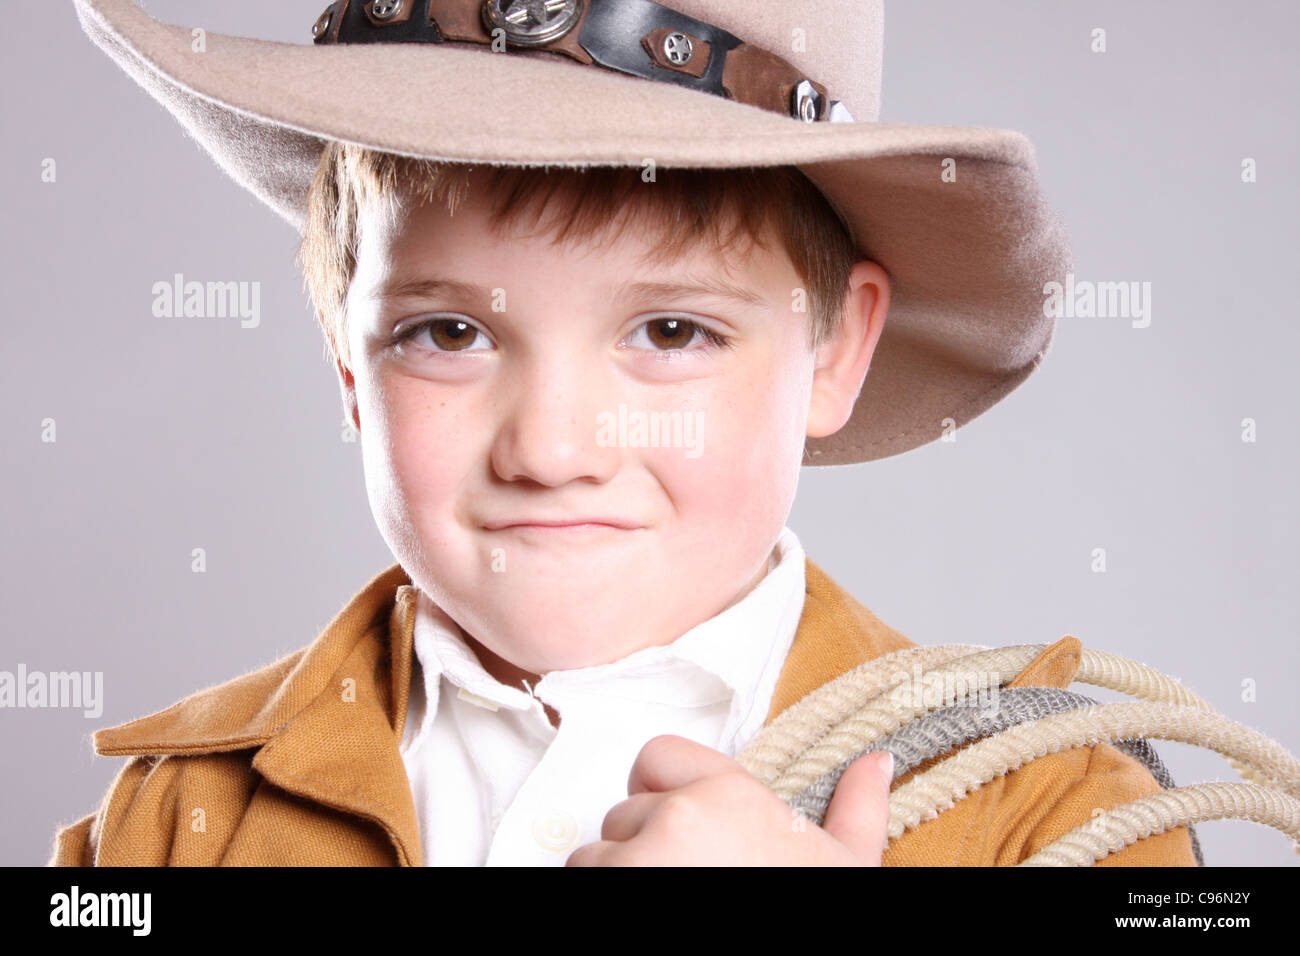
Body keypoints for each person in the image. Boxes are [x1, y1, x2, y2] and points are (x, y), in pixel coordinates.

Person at [53, 0, 1197, 866]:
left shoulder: (1058, 809)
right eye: (448, 331)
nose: (553, 450)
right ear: (348, 361)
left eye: (671, 329)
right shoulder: (175, 819)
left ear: (835, 350)